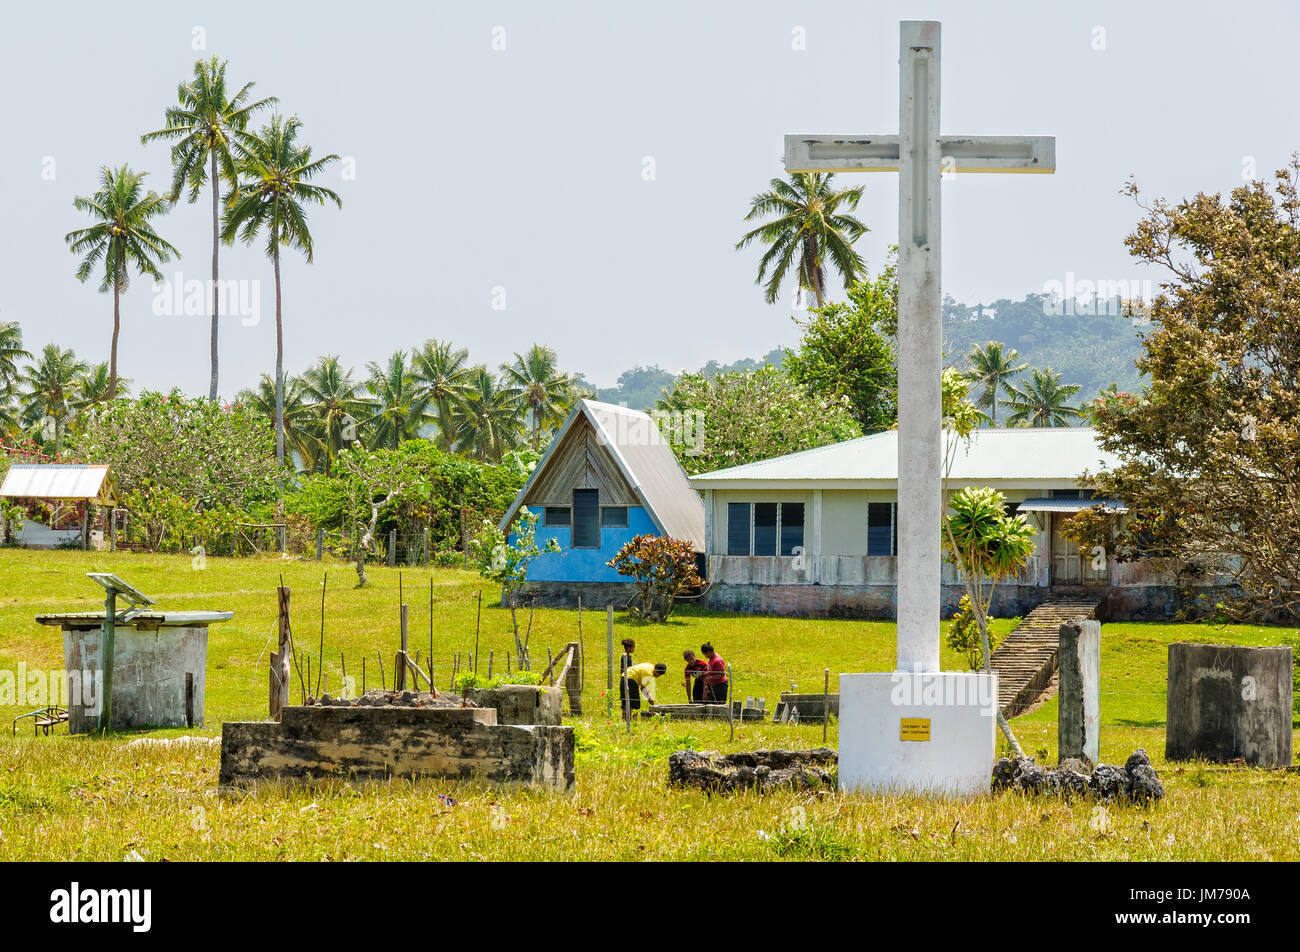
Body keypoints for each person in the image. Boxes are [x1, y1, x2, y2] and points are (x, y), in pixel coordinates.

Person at [618, 638, 636, 711]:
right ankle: (625, 717)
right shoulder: (626, 657)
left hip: (627, 678)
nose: (634, 649)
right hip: (626, 678)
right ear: (628, 647)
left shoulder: (627, 656)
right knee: (626, 700)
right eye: (633, 647)